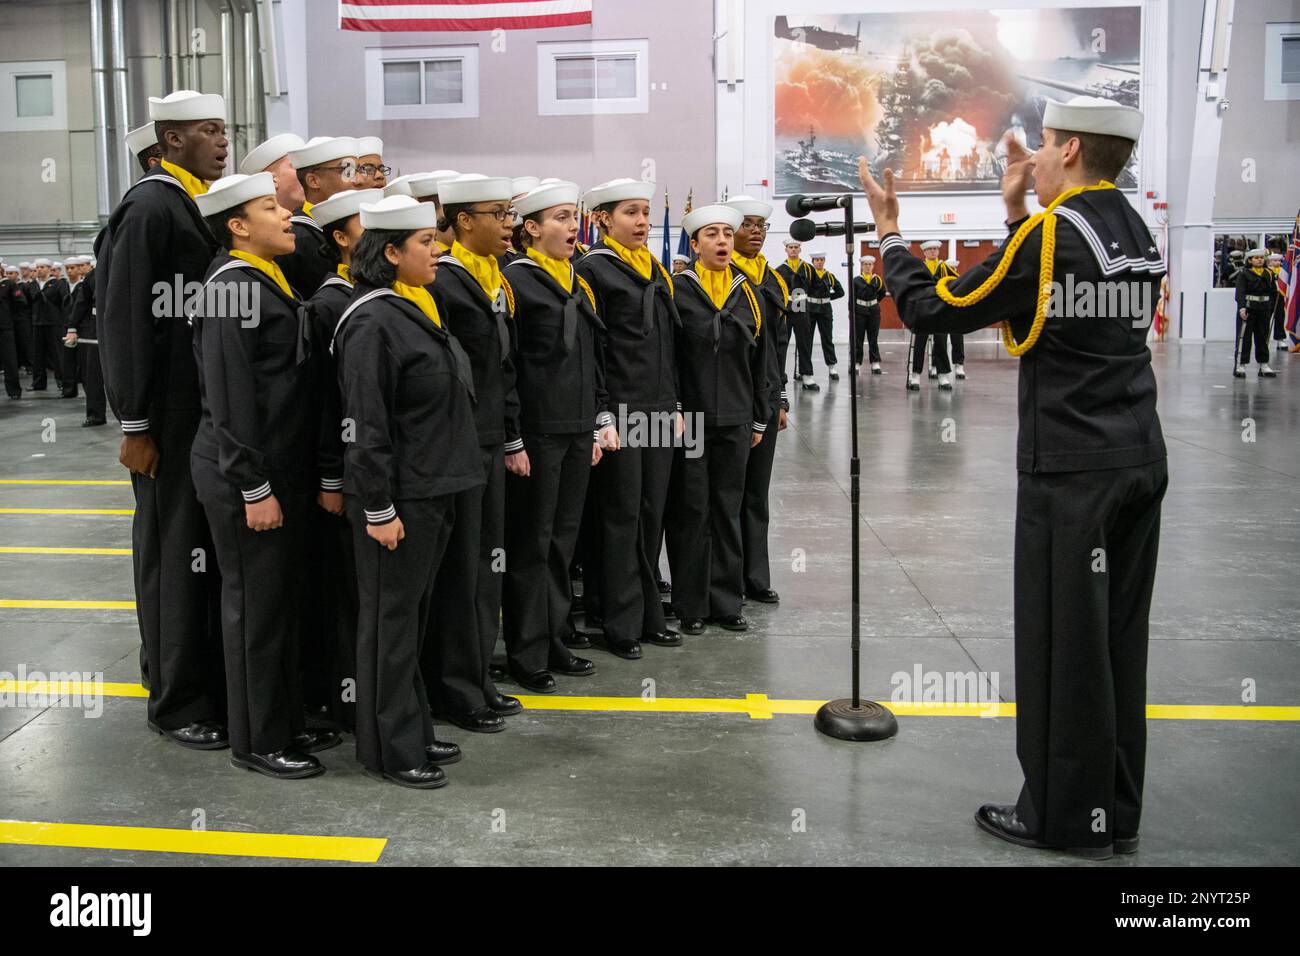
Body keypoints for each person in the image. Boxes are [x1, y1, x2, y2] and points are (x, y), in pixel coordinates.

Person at [860, 94, 1167, 859]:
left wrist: (890, 232)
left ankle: (1063, 818)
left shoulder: (1052, 233)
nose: (1033, 156)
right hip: (1137, 458)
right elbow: (1052, 295)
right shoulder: (1135, 227)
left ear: (1068, 153)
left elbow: (938, 307)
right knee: (1118, 646)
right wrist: (1016, 211)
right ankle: (1112, 810)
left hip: (1072, 472)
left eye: (1045, 144)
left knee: (1064, 644)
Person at [191, 172, 341, 779]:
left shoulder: (264, 279)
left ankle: (284, 720)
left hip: (278, 467)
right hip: (246, 473)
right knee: (255, 609)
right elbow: (228, 399)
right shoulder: (231, 287)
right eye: (270, 208)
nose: (287, 217)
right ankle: (257, 740)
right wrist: (253, 485)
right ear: (237, 226)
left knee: (279, 604)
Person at [333, 194, 480, 788]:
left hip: (433, 487)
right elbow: (364, 426)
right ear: (390, 252)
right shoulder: (371, 320)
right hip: (400, 498)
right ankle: (391, 749)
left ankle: (409, 727)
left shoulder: (410, 307)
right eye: (426, 244)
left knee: (411, 618)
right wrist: (379, 507)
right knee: (390, 623)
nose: (438, 251)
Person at [96, 89, 229, 749]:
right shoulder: (149, 207)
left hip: (195, 415)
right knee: (175, 555)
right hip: (167, 420)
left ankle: (193, 681)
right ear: (170, 140)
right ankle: (175, 703)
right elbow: (124, 318)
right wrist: (133, 422)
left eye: (224, 130)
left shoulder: (188, 204)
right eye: (208, 131)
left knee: (197, 554)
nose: (222, 142)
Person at [501, 180, 614, 689]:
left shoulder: (575, 278)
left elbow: (591, 358)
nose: (574, 227)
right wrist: (513, 437)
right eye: (562, 217)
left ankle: (554, 639)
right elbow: (507, 366)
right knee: (532, 545)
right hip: (538, 431)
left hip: (574, 429)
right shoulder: (516, 282)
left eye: (575, 217)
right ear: (531, 228)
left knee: (562, 544)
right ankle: (527, 653)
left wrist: (596, 421)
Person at [426, 174, 526, 723]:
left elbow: (501, 366)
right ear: (465, 220)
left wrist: (510, 434)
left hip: (489, 440)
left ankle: (479, 675)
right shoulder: (445, 280)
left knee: (488, 566)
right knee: (462, 571)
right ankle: (455, 688)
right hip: (460, 445)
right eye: (499, 214)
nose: (510, 224)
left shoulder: (490, 277)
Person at [575, 178, 683, 659]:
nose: (642, 221)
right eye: (630, 213)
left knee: (649, 516)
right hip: (620, 411)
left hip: (658, 411)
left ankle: (646, 613)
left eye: (644, 212)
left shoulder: (654, 267)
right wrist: (601, 414)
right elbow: (593, 351)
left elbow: (668, 345)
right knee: (619, 518)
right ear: (602, 220)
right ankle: (619, 622)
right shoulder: (594, 270)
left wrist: (676, 406)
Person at [666, 204, 774, 634]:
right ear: (694, 245)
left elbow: (763, 358)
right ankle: (691, 604)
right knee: (691, 509)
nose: (723, 242)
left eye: (727, 235)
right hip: (690, 421)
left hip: (735, 418)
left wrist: (759, 418)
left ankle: (726, 602)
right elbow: (668, 359)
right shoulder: (677, 290)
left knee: (727, 507)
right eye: (712, 235)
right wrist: (673, 410)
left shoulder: (748, 292)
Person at [304, 187, 383, 732]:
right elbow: (326, 403)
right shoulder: (330, 304)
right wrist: (331, 475)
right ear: (340, 237)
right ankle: (345, 702)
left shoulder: (372, 297)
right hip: (348, 474)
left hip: (372, 470)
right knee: (346, 597)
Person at [725, 195, 790, 605]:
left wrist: (780, 399)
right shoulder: (723, 274)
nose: (755, 232)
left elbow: (779, 347)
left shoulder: (774, 280)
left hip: (765, 398)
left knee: (756, 493)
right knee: (726, 493)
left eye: (760, 226)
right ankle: (727, 579)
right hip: (730, 399)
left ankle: (756, 576)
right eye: (746, 225)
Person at [281, 136, 359, 297]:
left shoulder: (359, 227)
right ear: (313, 180)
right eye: (346, 171)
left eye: (357, 170)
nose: (357, 180)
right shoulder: (295, 237)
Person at [907, 241, 957, 390]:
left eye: (936, 249)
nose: (934, 252)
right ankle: (915, 375)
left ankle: (943, 375)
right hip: (923, 309)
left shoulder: (944, 267)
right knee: (920, 343)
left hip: (940, 309)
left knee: (941, 342)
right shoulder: (918, 268)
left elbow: (956, 281)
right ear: (924, 252)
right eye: (930, 249)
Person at [65, 256, 106, 425]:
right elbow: (82, 302)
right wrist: (72, 327)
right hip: (97, 327)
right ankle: (95, 414)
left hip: (126, 325)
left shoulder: (130, 268)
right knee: (93, 374)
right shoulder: (94, 275)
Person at [776, 240, 817, 391]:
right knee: (781, 344)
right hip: (786, 311)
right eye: (790, 247)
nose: (793, 250)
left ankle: (807, 376)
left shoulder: (808, 268)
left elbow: (815, 287)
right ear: (786, 250)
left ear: (800, 249)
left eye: (796, 247)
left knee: (805, 344)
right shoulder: (779, 270)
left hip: (802, 310)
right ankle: (779, 378)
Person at [1234, 247, 1277, 378]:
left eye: (1261, 258)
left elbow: (1273, 292)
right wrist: (1241, 307)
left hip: (1263, 309)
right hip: (1248, 309)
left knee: (1263, 338)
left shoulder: (1268, 273)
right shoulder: (1244, 274)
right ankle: (1240, 365)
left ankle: (1263, 364)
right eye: (1256, 258)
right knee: (1244, 338)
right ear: (1250, 260)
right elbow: (1240, 292)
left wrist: (1271, 308)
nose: (1259, 260)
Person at [28, 258, 69, 393]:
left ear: (49, 269)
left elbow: (63, 301)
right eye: (37, 267)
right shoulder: (33, 285)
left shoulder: (57, 284)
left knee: (57, 353)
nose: (39, 270)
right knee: (37, 354)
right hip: (37, 323)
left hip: (53, 323)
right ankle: (38, 382)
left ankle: (62, 381)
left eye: (42, 267)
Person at [238, 133, 307, 212]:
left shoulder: (312, 220)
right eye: (297, 167)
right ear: (272, 179)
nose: (308, 174)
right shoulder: (259, 223)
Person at [805, 251, 843, 383]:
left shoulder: (829, 276)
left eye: (821, 260)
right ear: (813, 262)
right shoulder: (808, 275)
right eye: (817, 260)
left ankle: (832, 367)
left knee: (827, 339)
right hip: (810, 309)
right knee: (806, 340)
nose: (819, 262)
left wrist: (827, 298)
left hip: (825, 310)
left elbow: (840, 291)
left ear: (824, 261)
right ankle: (804, 369)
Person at [852, 254, 885, 374]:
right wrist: (853, 313)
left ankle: (875, 363)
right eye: (865, 264)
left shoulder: (878, 280)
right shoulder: (856, 280)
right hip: (859, 312)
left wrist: (873, 303)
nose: (867, 267)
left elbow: (882, 293)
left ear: (873, 266)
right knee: (858, 338)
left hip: (873, 312)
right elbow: (852, 298)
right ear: (861, 266)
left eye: (870, 264)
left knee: (873, 338)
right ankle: (856, 362)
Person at [0, 264, 23, 398]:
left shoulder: (8, 284)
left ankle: (14, 391)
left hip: (5, 327)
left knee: (9, 361)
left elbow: (20, 301)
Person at [945, 258, 967, 379]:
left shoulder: (960, 281)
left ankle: (959, 365)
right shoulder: (941, 282)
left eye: (954, 268)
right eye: (950, 269)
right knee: (939, 342)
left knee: (958, 340)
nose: (952, 271)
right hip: (942, 313)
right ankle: (935, 366)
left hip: (955, 313)